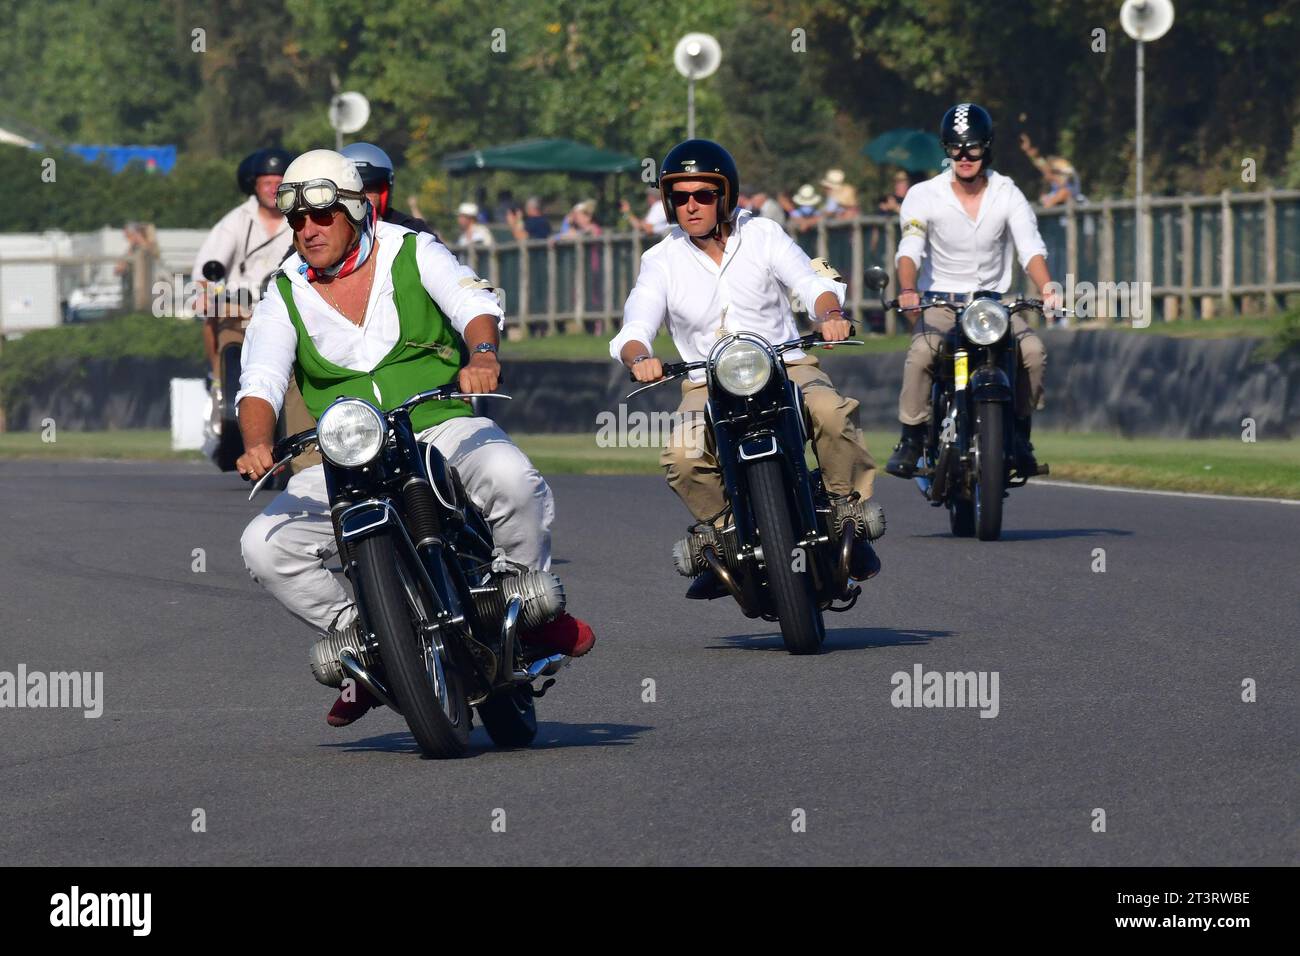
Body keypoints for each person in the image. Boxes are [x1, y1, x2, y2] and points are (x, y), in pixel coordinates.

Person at [235, 149, 594, 728]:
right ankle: (369, 646)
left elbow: (473, 302)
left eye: (321, 216)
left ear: (353, 210)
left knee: (511, 478)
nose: (308, 230)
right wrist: (256, 443)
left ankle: (524, 607)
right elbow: (261, 380)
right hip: (349, 454)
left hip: (439, 422)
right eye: (297, 220)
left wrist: (481, 355)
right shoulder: (283, 293)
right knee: (265, 545)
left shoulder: (411, 249)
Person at [610, 139, 881, 598]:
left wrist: (830, 315)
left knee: (833, 413)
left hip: (784, 363)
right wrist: (639, 357)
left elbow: (810, 283)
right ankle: (725, 532)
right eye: (679, 197)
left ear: (726, 196)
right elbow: (635, 325)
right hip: (706, 381)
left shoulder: (763, 235)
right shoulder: (660, 261)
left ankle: (844, 508)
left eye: (703, 195)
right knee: (682, 456)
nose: (691, 206)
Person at [884, 104, 1058, 480]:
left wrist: (1048, 289)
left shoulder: (1007, 192)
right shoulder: (923, 195)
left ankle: (1021, 435)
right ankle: (911, 437)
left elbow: (1030, 247)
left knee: (1032, 351)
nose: (964, 157)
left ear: (987, 148)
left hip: (995, 305)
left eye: (973, 148)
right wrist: (910, 289)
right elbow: (909, 250)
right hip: (942, 302)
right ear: (947, 151)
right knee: (921, 352)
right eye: (956, 149)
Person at [192, 147, 294, 369]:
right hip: (239, 312)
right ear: (255, 186)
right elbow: (206, 272)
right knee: (220, 327)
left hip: (286, 312)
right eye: (267, 183)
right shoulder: (235, 221)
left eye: (280, 183)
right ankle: (221, 383)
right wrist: (206, 296)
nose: (273, 189)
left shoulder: (301, 220)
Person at [340, 142, 439, 236]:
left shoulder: (412, 230)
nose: (360, 197)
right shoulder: (327, 229)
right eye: (351, 191)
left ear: (383, 192)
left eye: (369, 189)